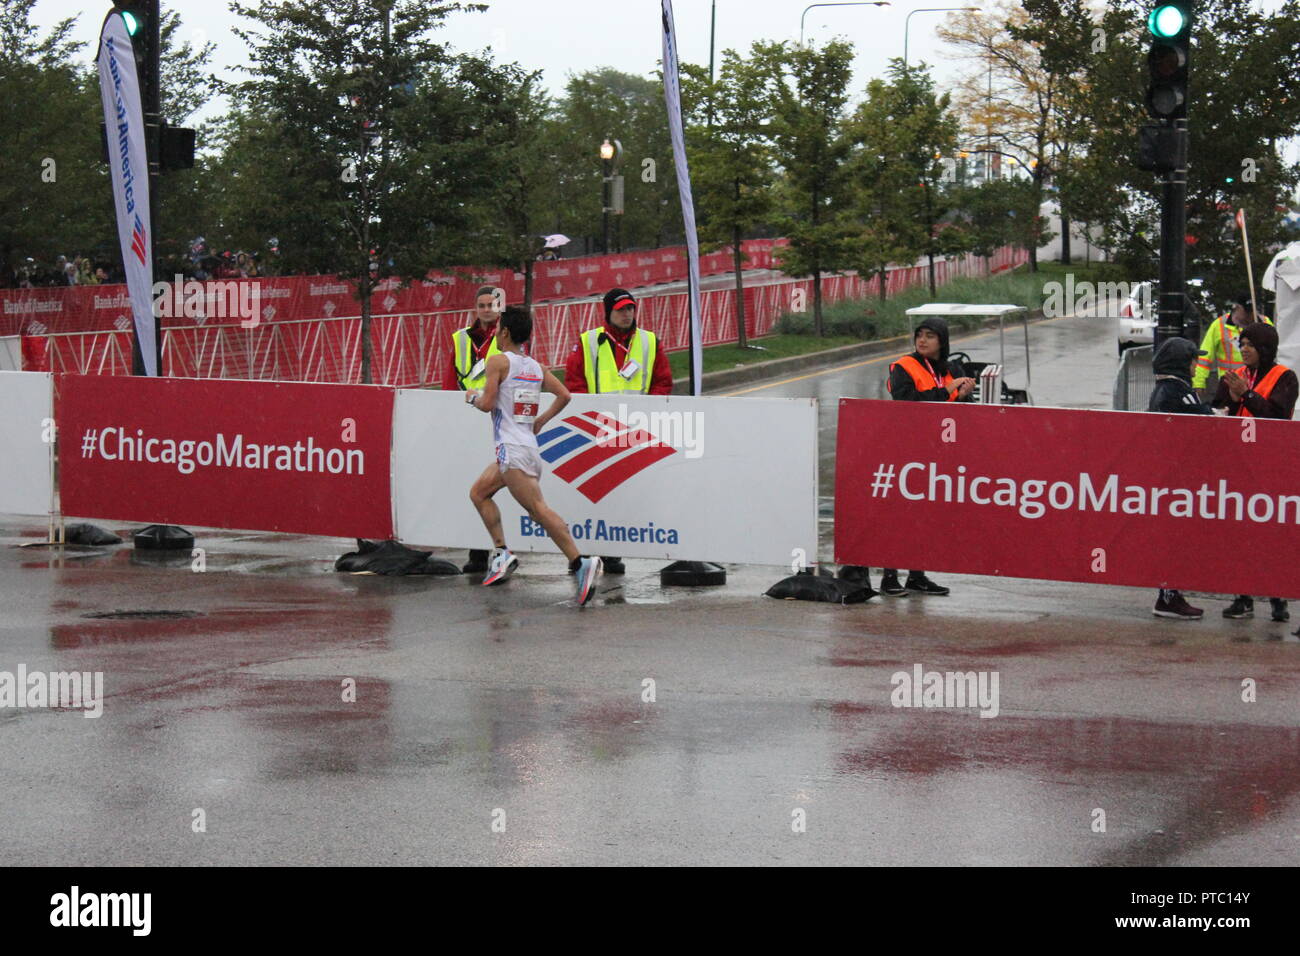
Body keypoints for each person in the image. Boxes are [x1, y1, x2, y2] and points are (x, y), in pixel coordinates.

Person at [465, 306, 603, 606]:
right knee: (479, 493)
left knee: (539, 510)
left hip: (513, 451)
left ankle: (580, 562)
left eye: (500, 328)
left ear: (505, 332)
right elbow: (565, 395)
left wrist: (472, 397)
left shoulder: (498, 362)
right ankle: (502, 554)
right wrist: (540, 421)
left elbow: (488, 404)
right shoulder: (534, 367)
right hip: (522, 447)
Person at [857, 317, 975, 597]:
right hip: (904, 451)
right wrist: (948, 391)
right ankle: (889, 577)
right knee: (898, 516)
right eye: (919, 335)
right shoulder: (903, 367)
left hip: (935, 453)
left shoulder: (950, 369)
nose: (922, 340)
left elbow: (956, 413)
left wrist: (962, 397)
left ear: (942, 341)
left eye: (930, 336)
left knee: (925, 517)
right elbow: (909, 406)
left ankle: (917, 576)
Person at [563, 287, 674, 575]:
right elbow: (574, 380)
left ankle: (612, 553)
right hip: (595, 429)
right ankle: (585, 550)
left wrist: (647, 412)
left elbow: (663, 381)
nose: (627, 315)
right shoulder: (589, 342)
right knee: (590, 493)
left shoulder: (649, 341)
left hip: (635, 429)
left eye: (630, 309)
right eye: (621, 310)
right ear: (608, 312)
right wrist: (587, 415)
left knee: (622, 494)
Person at [1211, 321, 1297, 623]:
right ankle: (1242, 598)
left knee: (1270, 537)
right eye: (1241, 344)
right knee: (1238, 536)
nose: (1243, 349)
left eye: (1249, 344)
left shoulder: (1285, 378)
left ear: (1264, 348)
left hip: (1268, 467)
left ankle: (1277, 600)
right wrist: (1232, 402)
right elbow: (1218, 414)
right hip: (1237, 465)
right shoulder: (1234, 378)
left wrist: (1247, 396)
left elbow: (1277, 418)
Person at [1148, 337, 1214, 619]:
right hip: (1175, 481)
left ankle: (1169, 595)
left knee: (1173, 539)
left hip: (1170, 478)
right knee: (1174, 539)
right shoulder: (1178, 392)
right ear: (1182, 364)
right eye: (1192, 360)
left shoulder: (1165, 390)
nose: (1196, 365)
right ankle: (1168, 596)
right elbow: (1202, 421)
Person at [448, 286, 506, 574]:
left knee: (490, 487)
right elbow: (450, 377)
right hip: (466, 416)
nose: (486, 310)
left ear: (499, 308)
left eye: (491, 305)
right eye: (481, 305)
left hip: (496, 413)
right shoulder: (461, 338)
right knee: (472, 484)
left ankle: (495, 547)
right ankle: (476, 550)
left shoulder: (506, 335)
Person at [1192, 295, 1272, 398]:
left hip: (1259, 386)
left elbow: (1275, 352)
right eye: (1246, 312)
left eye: (1253, 311)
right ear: (1237, 308)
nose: (1250, 315)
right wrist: (1198, 382)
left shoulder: (1265, 323)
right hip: (1228, 387)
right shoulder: (1219, 325)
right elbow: (1204, 357)